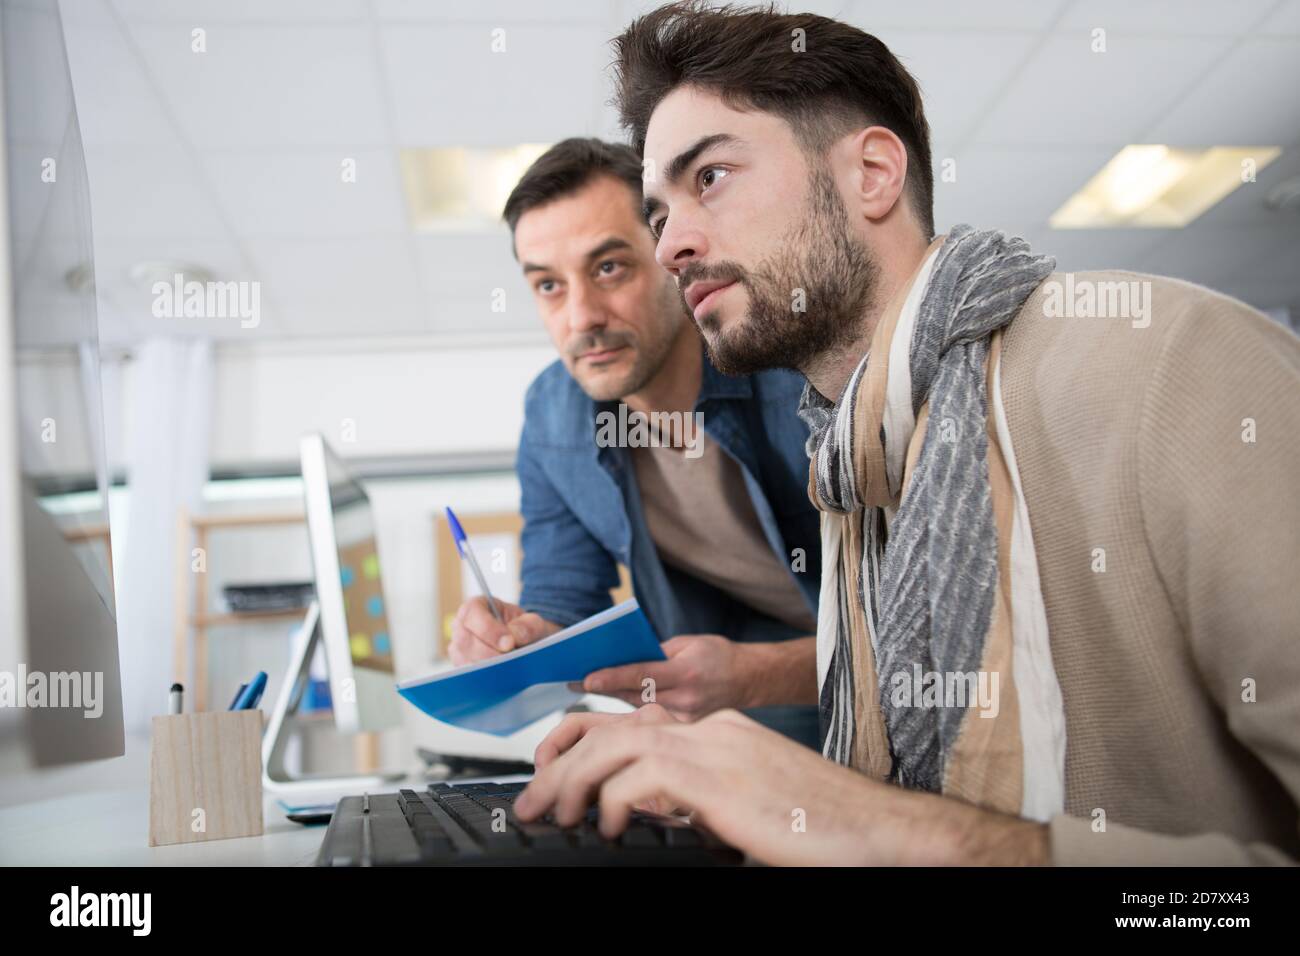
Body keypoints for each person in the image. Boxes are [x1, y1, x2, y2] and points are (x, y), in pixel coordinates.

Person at [514, 2, 1300, 865]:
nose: (672, 248)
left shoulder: (1173, 364)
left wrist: (871, 824)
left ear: (874, 173)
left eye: (709, 179)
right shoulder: (856, 475)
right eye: (659, 215)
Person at [448, 137, 823, 746]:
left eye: (608, 268)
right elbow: (562, 598)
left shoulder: (793, 368)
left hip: (877, 657)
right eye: (549, 285)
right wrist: (521, 636)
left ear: (671, 255)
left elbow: (930, 616)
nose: (581, 317)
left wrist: (759, 676)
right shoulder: (552, 419)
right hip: (738, 672)